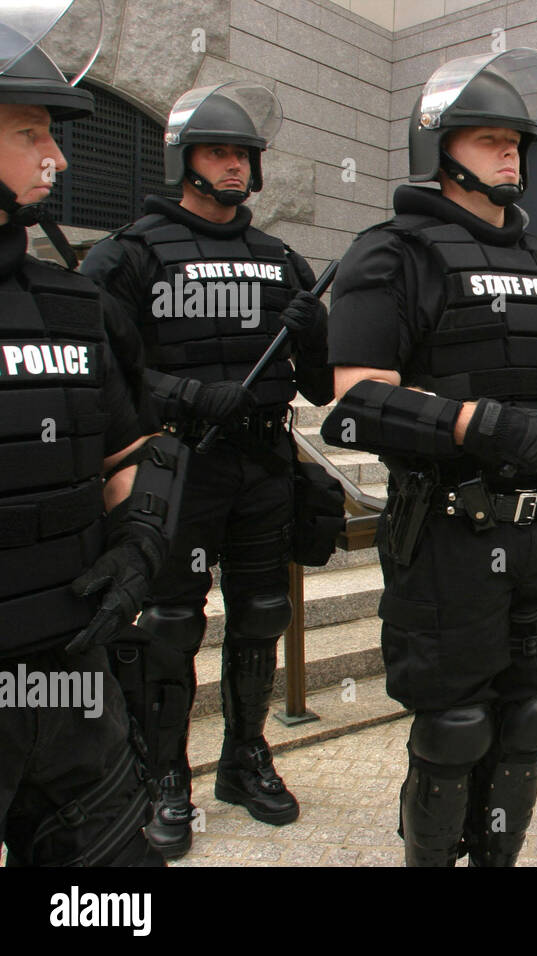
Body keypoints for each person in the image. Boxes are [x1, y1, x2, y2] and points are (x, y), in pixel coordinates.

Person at [321, 49, 537, 867]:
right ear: (437, 147)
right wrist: (480, 425)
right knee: (454, 725)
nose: (510, 154)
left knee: (530, 715)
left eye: (517, 141)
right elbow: (355, 404)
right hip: (448, 537)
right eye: (487, 139)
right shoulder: (391, 251)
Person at [80, 81, 334, 858]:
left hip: (262, 461)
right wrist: (185, 395)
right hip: (175, 462)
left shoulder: (280, 259)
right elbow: (99, 376)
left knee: (262, 613)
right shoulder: (128, 255)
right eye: (219, 152)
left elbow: (323, 386)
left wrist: (314, 329)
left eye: (244, 155)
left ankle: (244, 758)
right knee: (169, 627)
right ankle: (165, 777)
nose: (234, 166)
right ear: (183, 159)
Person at [0, 2, 187, 866]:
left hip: (73, 673)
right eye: (31, 131)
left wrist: (140, 541)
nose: (60, 157)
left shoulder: (75, 305)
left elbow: (134, 452)